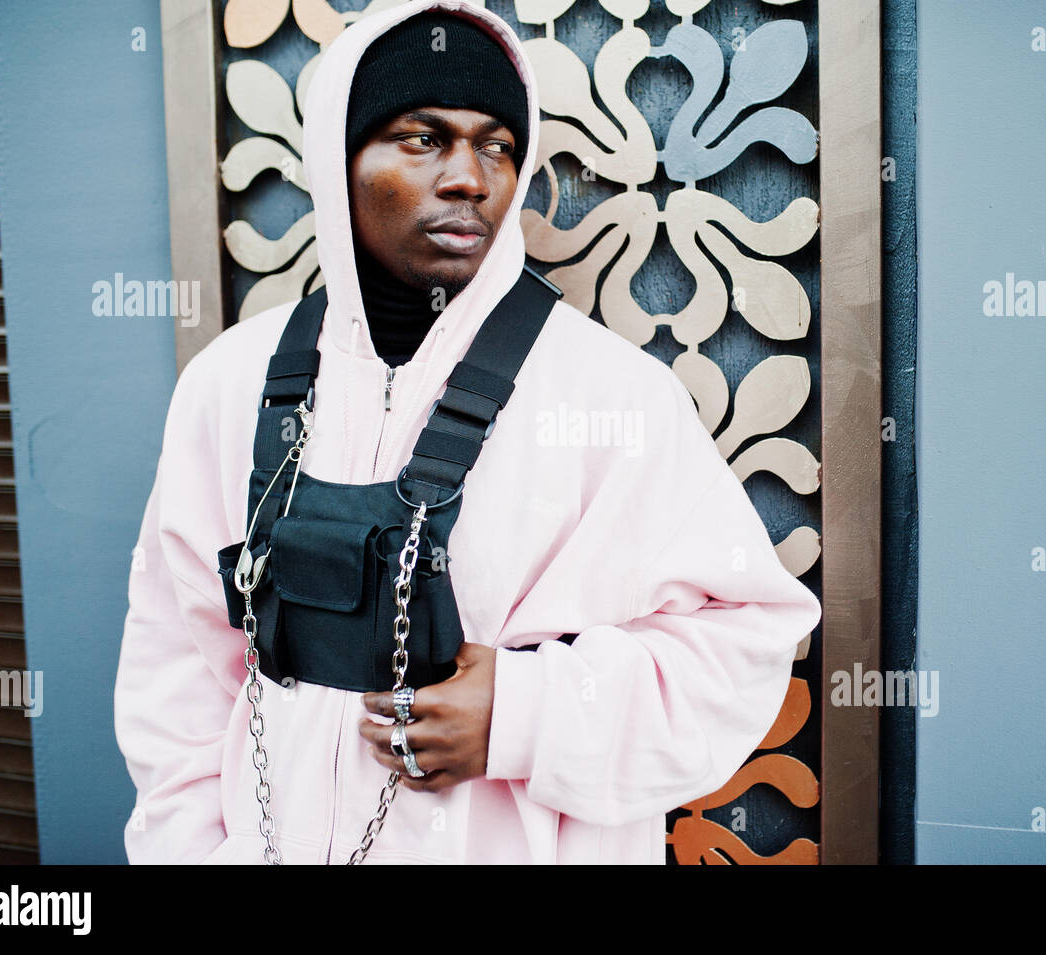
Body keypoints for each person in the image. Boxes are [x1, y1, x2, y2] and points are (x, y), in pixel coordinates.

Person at [113, 0, 822, 865]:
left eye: (497, 145)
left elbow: (744, 648)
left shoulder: (614, 396)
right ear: (341, 159)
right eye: (422, 137)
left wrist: (525, 716)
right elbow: (177, 668)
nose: (469, 177)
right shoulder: (230, 384)